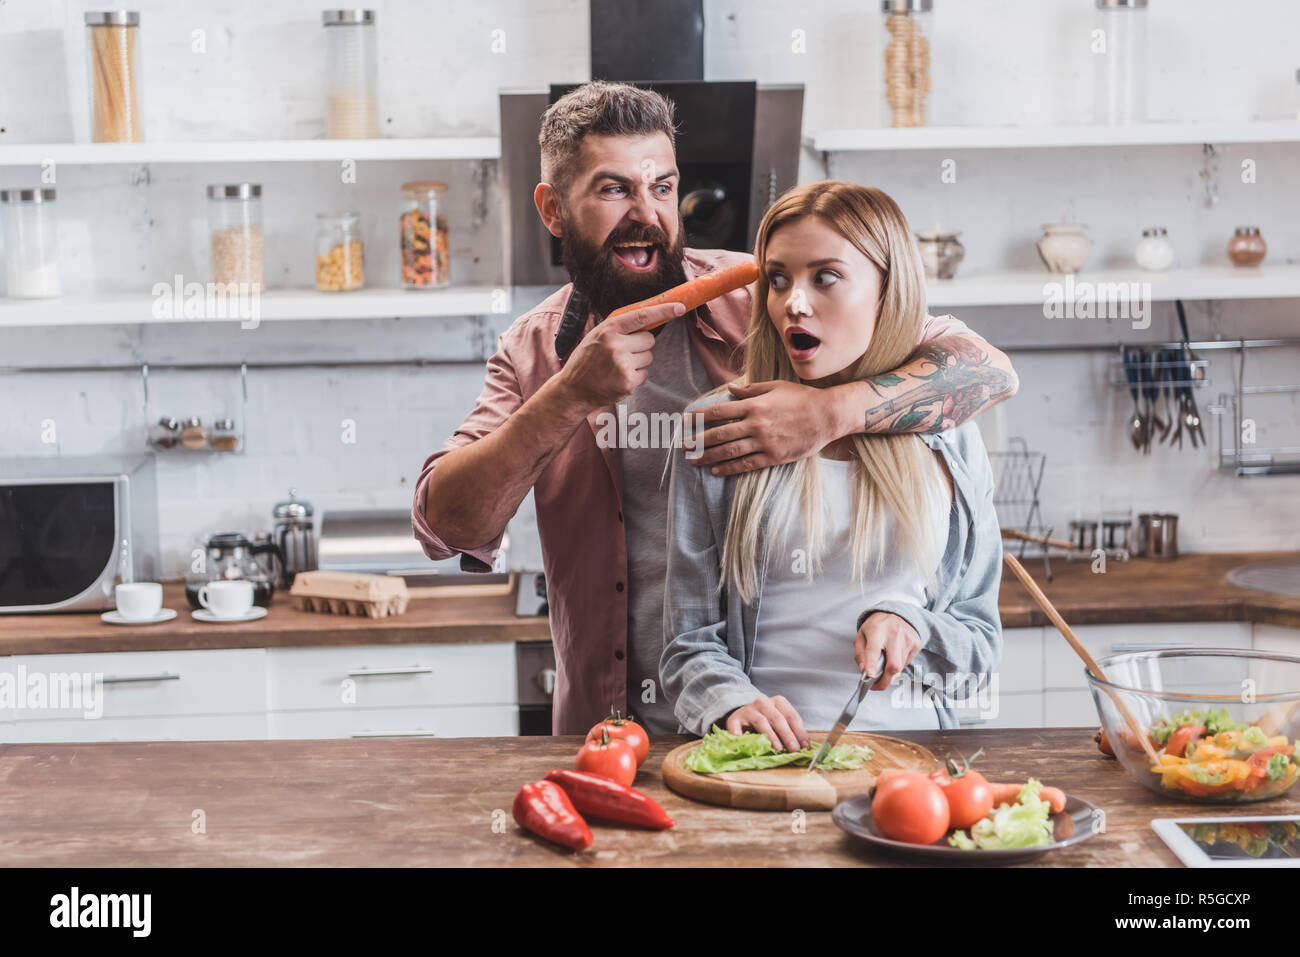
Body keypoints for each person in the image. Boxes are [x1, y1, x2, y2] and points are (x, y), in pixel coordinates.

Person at [411, 80, 1017, 735]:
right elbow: (447, 524)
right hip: (614, 729)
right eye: (614, 189)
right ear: (553, 210)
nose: (648, 213)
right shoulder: (532, 349)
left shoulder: (764, 294)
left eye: (663, 187)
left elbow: (982, 368)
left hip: (753, 734)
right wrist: (570, 394)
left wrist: (831, 413)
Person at [660, 181, 1004, 748]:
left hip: (914, 768)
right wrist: (731, 703)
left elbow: (979, 657)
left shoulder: (947, 433)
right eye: (777, 279)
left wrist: (915, 624)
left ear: (886, 290)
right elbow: (687, 644)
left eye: (825, 276)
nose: (793, 302)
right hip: (764, 766)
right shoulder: (723, 426)